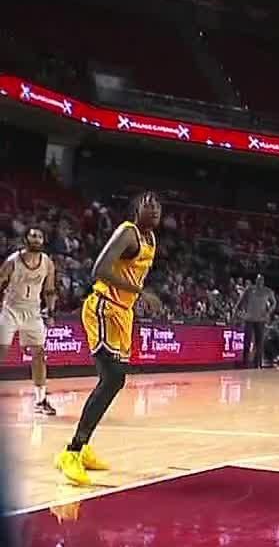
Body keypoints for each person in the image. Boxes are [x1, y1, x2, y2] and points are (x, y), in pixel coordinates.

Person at [56, 192, 161, 486]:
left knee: (112, 380)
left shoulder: (151, 241)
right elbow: (99, 270)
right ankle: (72, 452)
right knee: (113, 378)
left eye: (158, 207)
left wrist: (136, 296)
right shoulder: (128, 232)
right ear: (135, 209)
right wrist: (141, 293)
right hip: (103, 307)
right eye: (148, 205)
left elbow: (130, 275)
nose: (154, 210)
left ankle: (83, 445)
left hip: (123, 313)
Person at [0, 226, 58, 416]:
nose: (36, 239)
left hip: (33, 311)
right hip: (11, 309)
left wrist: (50, 311)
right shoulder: (12, 261)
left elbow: (49, 290)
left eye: (40, 236)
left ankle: (40, 400)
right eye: (33, 236)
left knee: (39, 355)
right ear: (26, 239)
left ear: (43, 241)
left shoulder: (47, 263)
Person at [233, 274, 277, 368]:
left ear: (264, 281)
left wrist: (268, 312)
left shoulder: (267, 291)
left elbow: (274, 303)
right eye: (258, 280)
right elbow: (240, 303)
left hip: (261, 320)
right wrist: (237, 313)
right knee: (247, 341)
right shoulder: (249, 290)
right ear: (256, 281)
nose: (260, 282)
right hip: (249, 319)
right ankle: (245, 362)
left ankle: (258, 363)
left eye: (261, 280)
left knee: (259, 343)